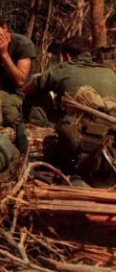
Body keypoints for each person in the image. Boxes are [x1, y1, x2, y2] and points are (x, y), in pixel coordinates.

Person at [24, 36, 116, 186]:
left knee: (37, 90)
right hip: (109, 139)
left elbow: (27, 89)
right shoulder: (110, 73)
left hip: (78, 142)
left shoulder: (64, 68)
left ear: (66, 56)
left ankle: (37, 133)